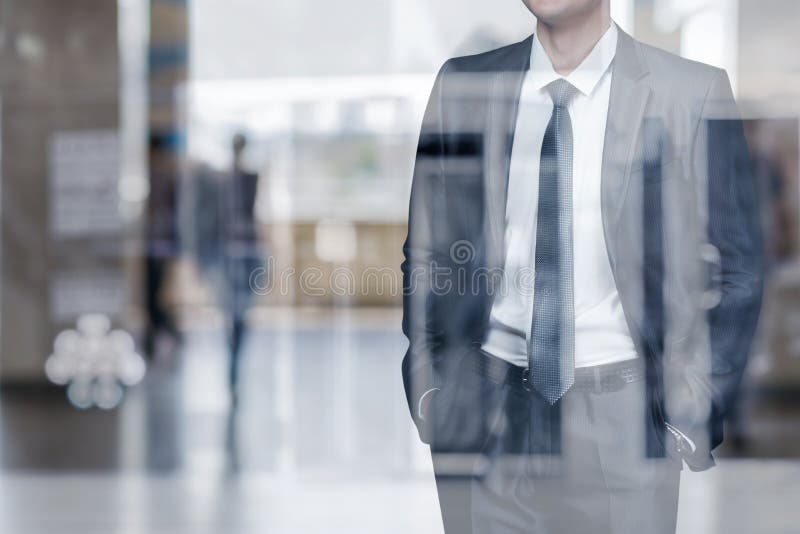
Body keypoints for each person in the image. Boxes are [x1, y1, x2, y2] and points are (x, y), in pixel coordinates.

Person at [401, 1, 763, 533]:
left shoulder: (691, 91)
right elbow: (430, 251)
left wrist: (695, 408)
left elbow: (738, 265)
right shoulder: (463, 86)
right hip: (484, 415)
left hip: (625, 419)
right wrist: (430, 385)